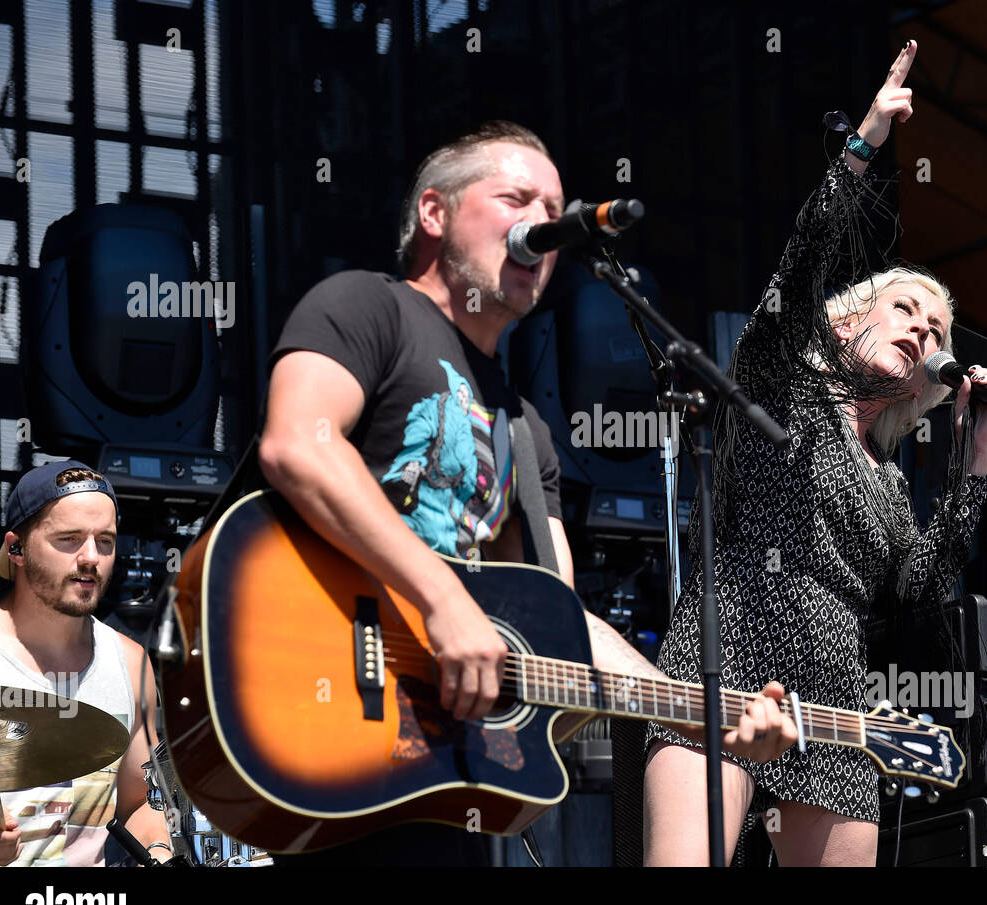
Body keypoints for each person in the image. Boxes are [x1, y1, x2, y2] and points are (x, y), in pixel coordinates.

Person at [258, 120, 797, 865]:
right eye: (517, 198)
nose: (543, 223)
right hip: (319, 700)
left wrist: (704, 713)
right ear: (435, 213)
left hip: (437, 768)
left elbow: (554, 620)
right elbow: (298, 444)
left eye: (554, 208)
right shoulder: (364, 306)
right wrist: (444, 601)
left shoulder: (525, 429)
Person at [643, 39, 987, 866]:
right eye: (907, 309)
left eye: (938, 330)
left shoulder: (886, 478)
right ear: (847, 319)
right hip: (727, 659)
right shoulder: (776, 385)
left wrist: (974, 453)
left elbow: (919, 589)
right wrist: (863, 149)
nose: (924, 328)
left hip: (838, 706)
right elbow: (799, 266)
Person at [0, 461, 171, 867]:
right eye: (69, 539)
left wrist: (158, 850)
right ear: (16, 548)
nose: (90, 558)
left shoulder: (131, 664)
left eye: (105, 541)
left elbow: (140, 804)